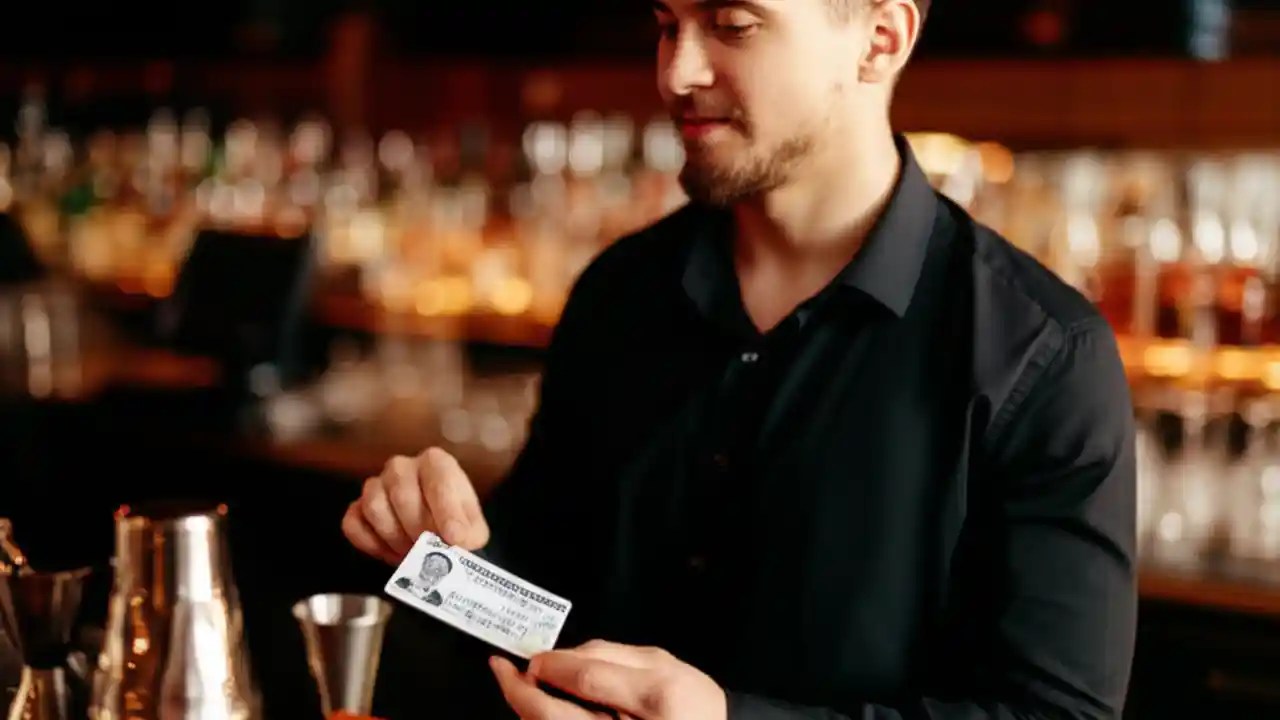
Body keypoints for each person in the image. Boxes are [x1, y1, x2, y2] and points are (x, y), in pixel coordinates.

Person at [343, 0, 1139, 717]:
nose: (677, 72)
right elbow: (538, 605)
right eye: (666, 25)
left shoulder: (1042, 357)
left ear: (880, 39)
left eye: (734, 25)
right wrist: (442, 559)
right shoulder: (621, 292)